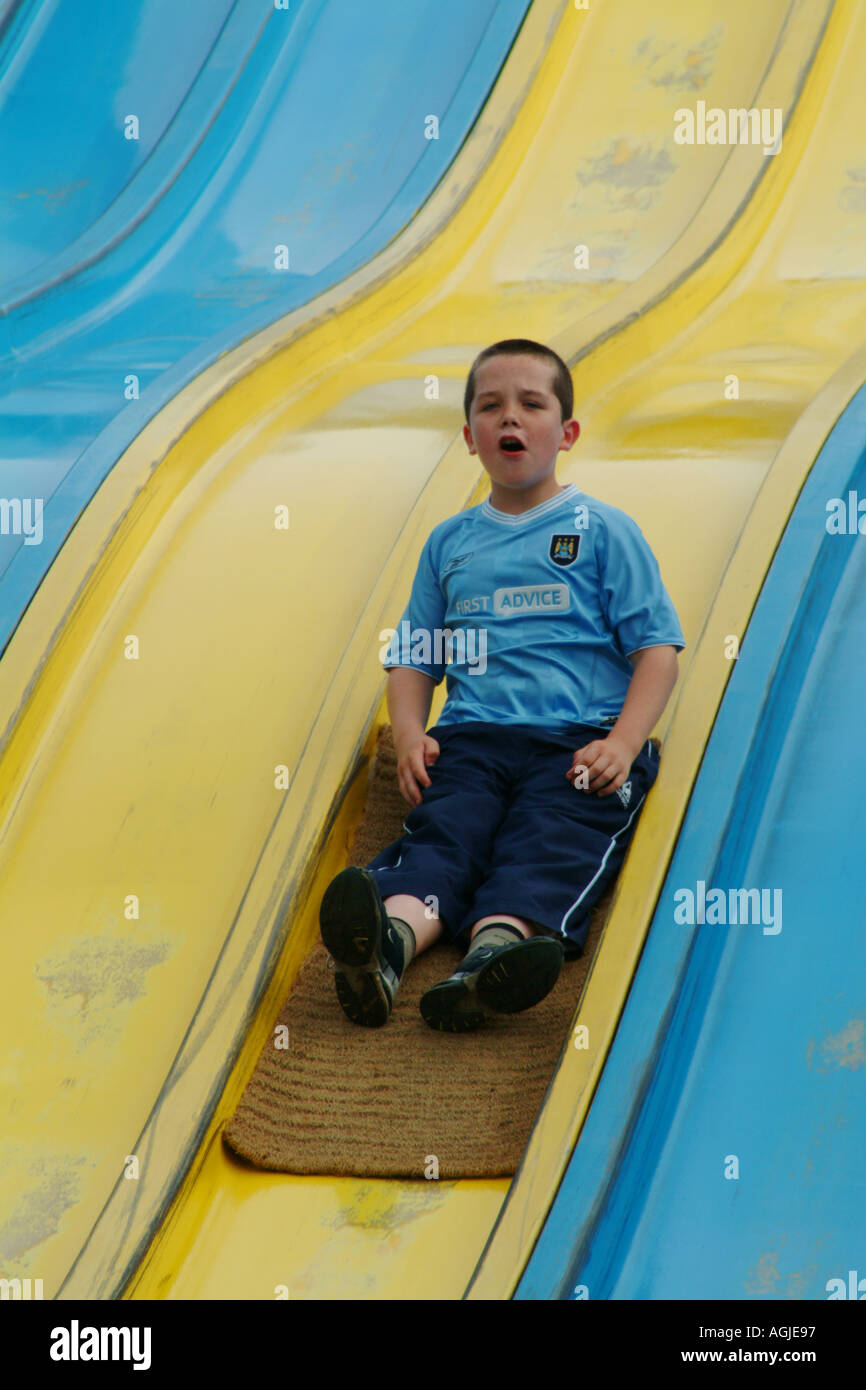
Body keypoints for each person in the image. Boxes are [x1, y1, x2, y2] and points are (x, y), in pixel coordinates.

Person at [319, 338, 685, 1033]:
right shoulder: (450, 542)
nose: (509, 418)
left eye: (530, 404)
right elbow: (416, 657)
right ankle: (386, 946)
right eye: (490, 407)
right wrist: (409, 735)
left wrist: (623, 741)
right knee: (443, 836)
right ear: (469, 438)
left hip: (577, 744)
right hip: (473, 738)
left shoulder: (603, 531)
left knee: (553, 835)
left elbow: (656, 650)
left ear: (566, 432)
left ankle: (493, 958)